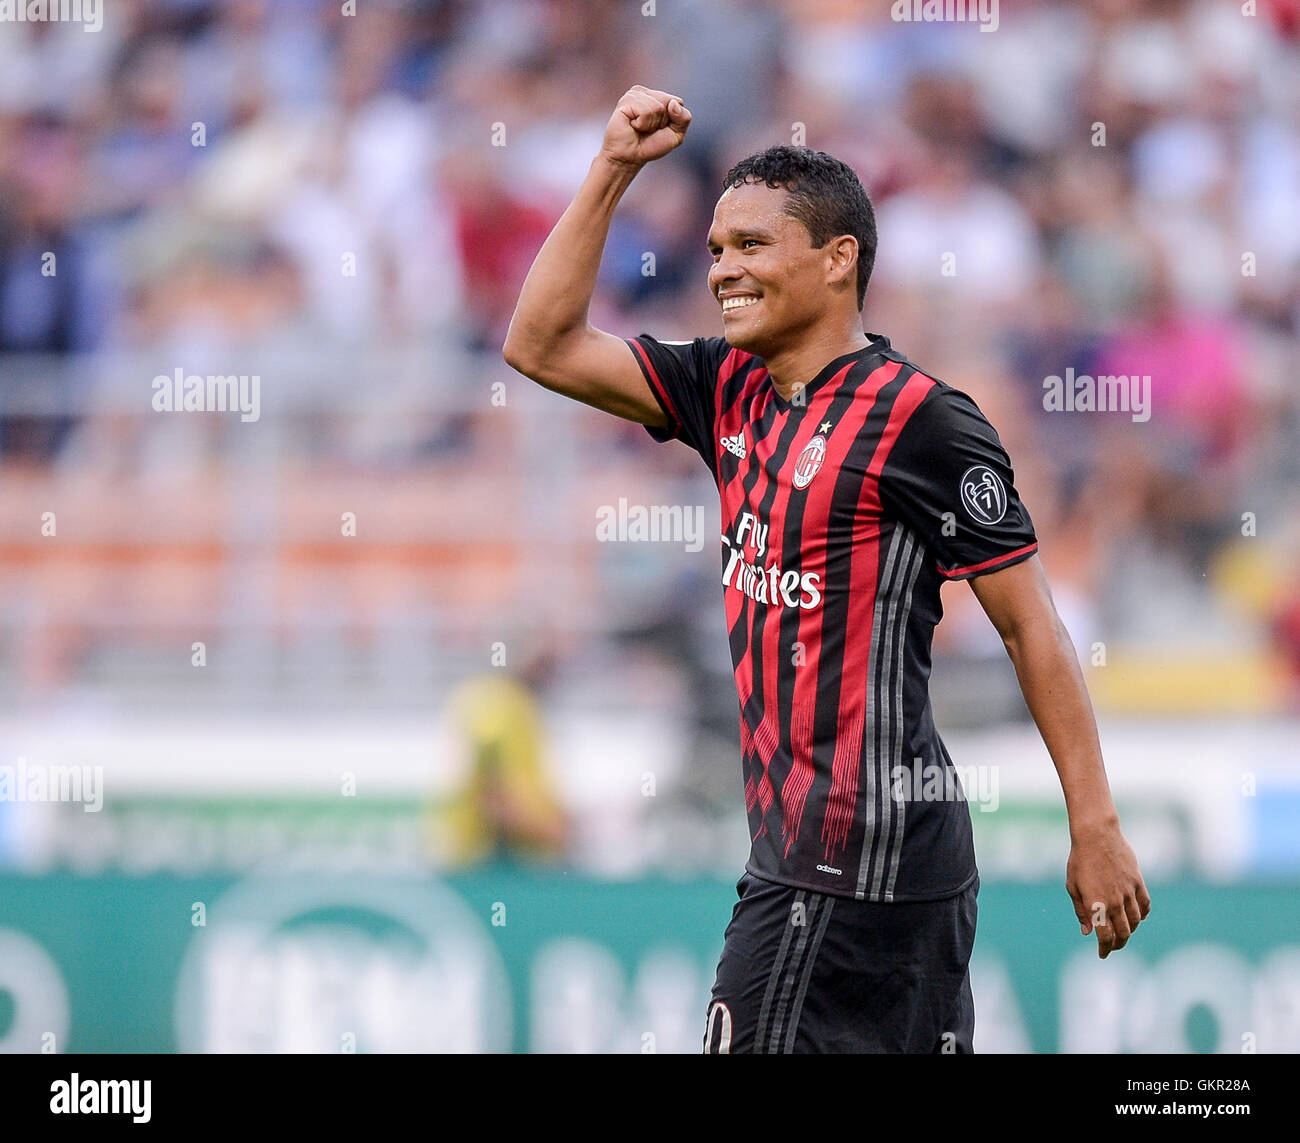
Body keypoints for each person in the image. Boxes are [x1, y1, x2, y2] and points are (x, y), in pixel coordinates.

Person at [503, 85, 1151, 1053]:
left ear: (837, 258)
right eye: (717, 249)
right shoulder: (721, 386)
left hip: (858, 870)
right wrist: (611, 170)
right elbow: (539, 343)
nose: (722, 270)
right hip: (819, 863)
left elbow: (1028, 625)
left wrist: (1092, 823)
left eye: (752, 247)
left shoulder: (922, 421)